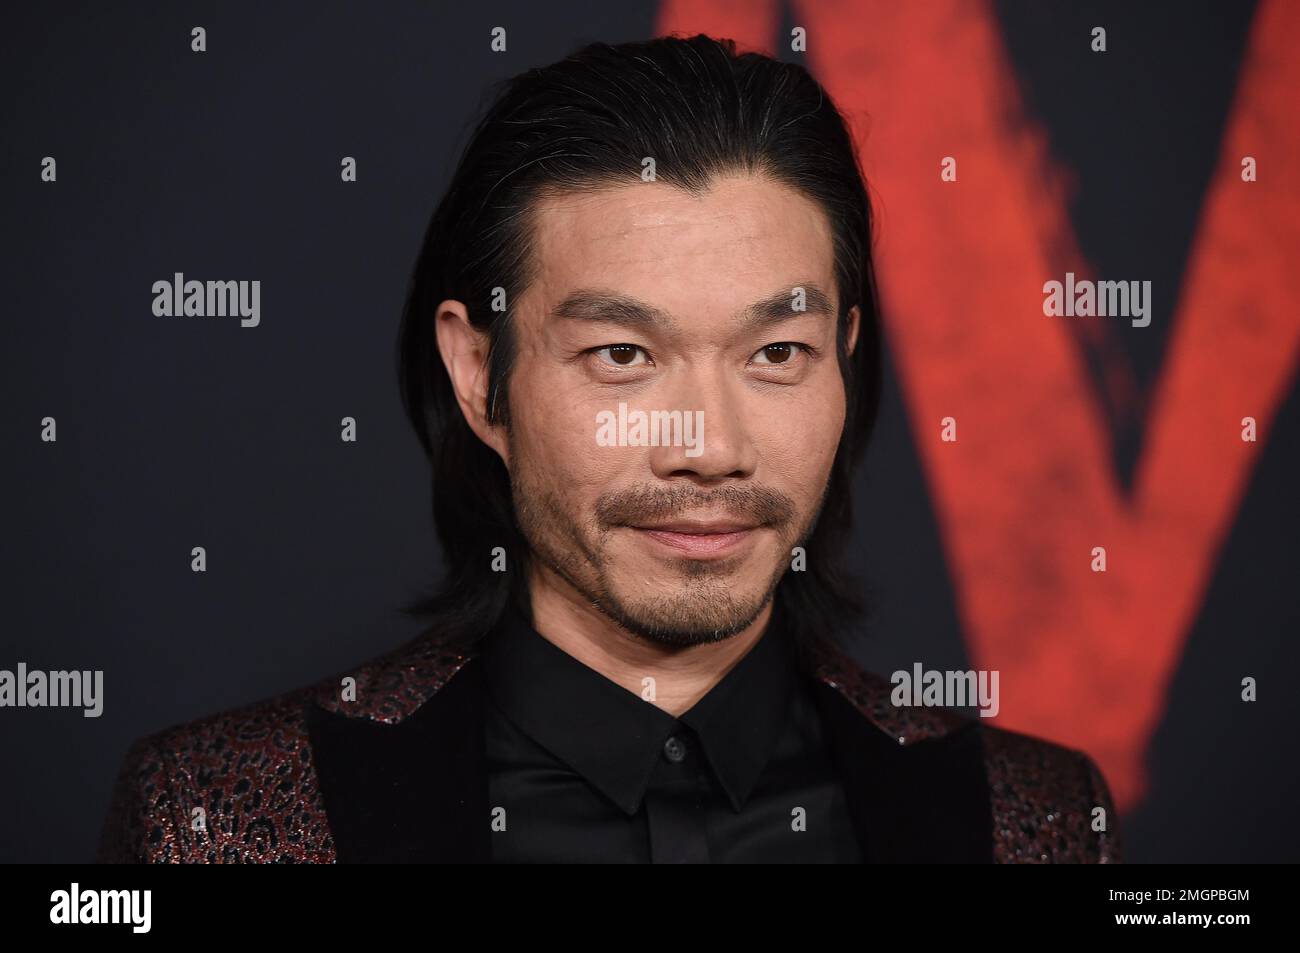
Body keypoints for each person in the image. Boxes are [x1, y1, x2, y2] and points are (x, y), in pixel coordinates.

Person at [98, 33, 1120, 864]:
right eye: (623, 353)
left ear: (844, 358)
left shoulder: (1031, 822)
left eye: (776, 351)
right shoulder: (215, 823)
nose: (711, 448)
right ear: (477, 373)